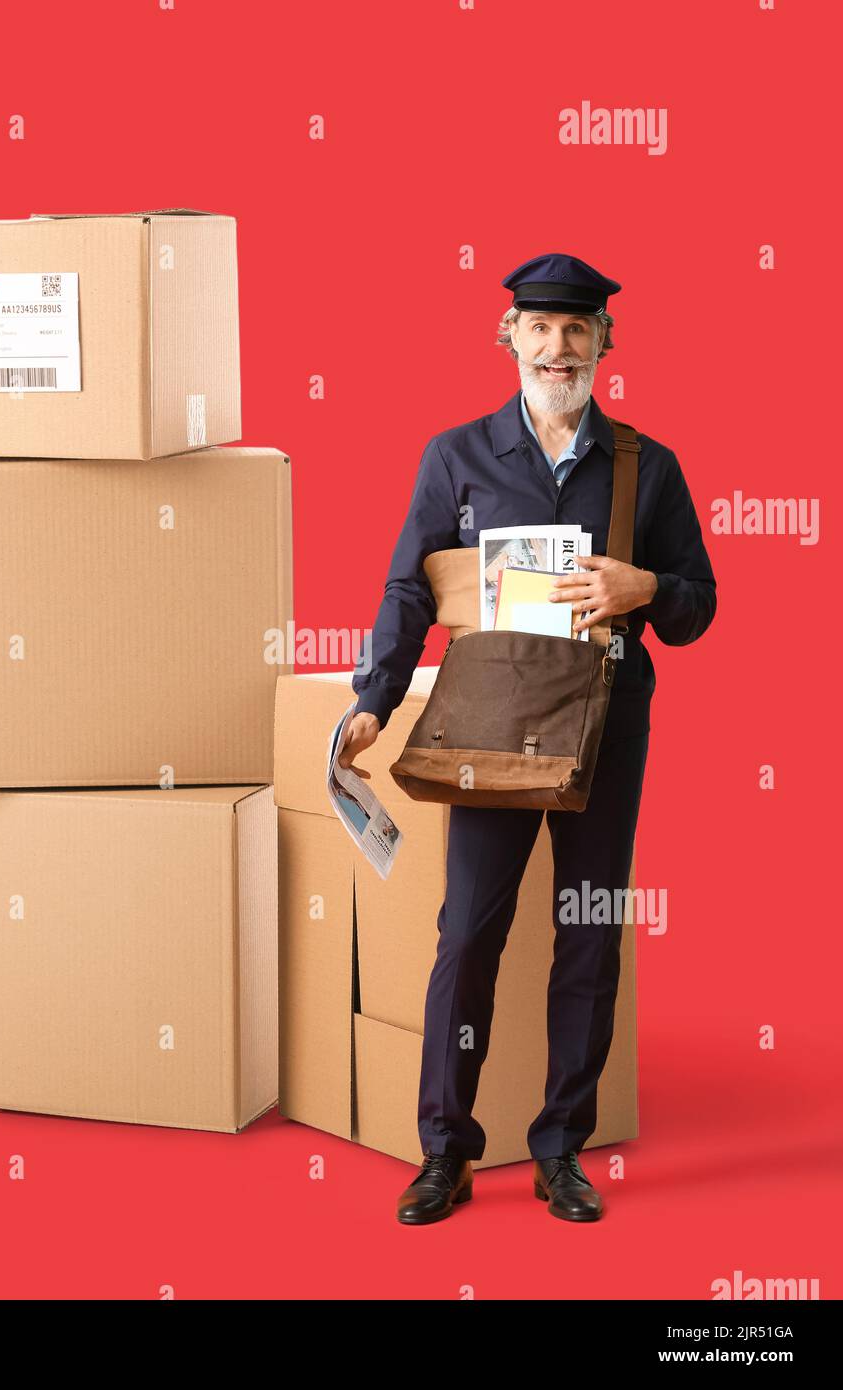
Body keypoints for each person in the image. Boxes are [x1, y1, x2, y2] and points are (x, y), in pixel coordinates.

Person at [339, 253, 717, 1224]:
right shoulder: (454, 457)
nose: (557, 346)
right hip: (488, 727)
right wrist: (374, 696)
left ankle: (559, 1150)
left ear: (603, 342)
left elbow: (697, 607)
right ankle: (444, 1152)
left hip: (603, 729)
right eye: (538, 327)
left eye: (575, 329)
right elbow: (405, 587)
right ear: (505, 335)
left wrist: (648, 590)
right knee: (466, 934)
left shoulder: (646, 465)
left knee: (586, 938)